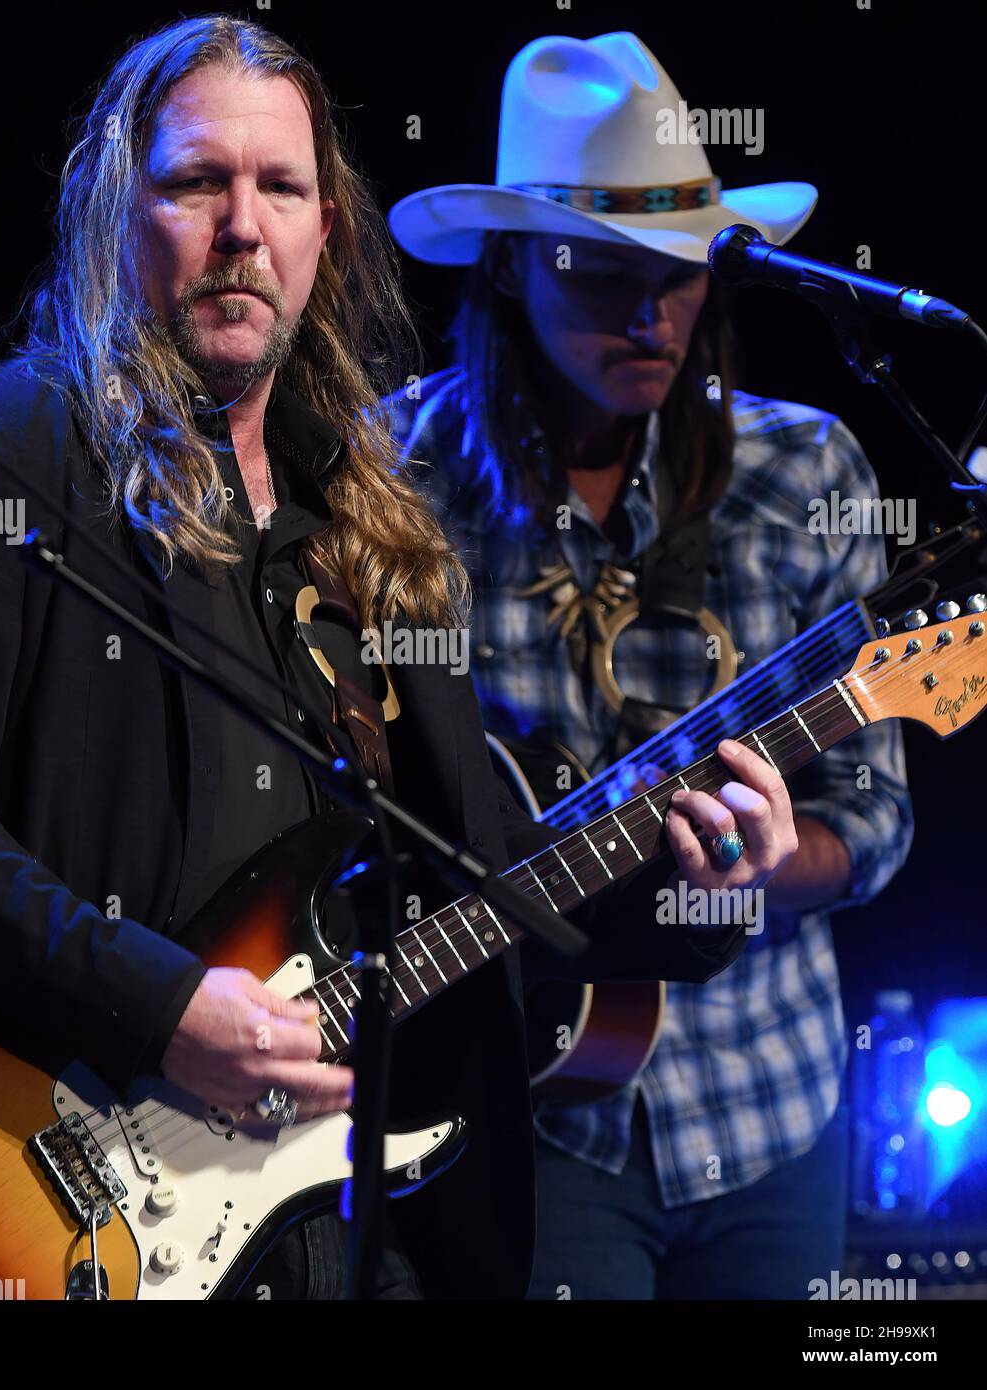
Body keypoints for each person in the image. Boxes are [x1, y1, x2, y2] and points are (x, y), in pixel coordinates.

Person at [0, 16, 796, 1301]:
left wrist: (700, 893)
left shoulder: (368, 518)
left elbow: (490, 880)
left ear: (323, 232)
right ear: (117, 208)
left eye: (281, 187)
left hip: (344, 1228)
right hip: (67, 1190)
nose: (243, 225)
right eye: (196, 181)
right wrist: (161, 1000)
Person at [386, 31, 913, 1299]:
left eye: (680, 278)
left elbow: (876, 817)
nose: (650, 314)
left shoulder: (805, 473)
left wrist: (774, 869)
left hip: (765, 1103)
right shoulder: (389, 483)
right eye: (607, 273)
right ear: (512, 266)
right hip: (521, 1112)